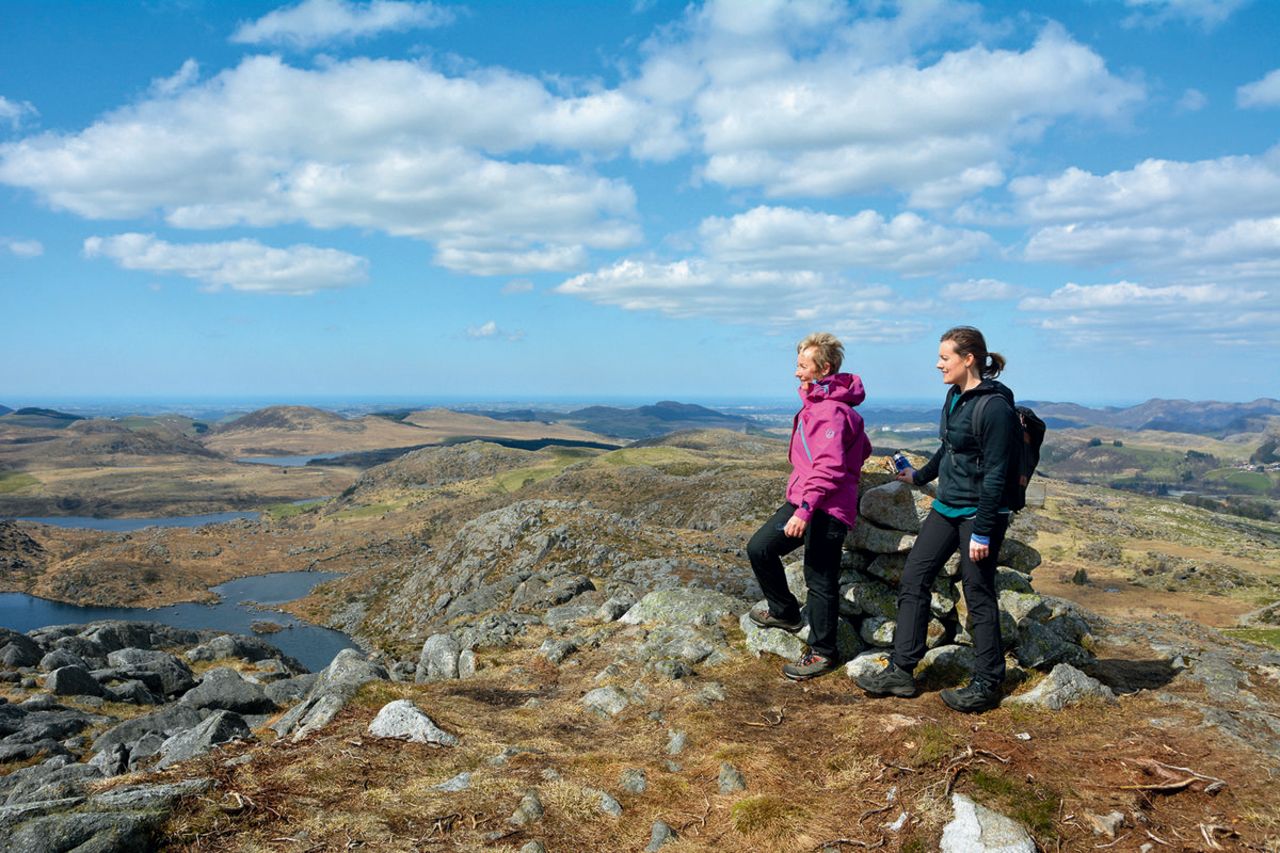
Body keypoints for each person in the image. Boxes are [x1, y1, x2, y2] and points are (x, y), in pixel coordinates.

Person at [856, 326, 1020, 712]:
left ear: (969, 359)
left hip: (982, 514)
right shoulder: (954, 396)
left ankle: (987, 682)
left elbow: (997, 471)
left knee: (978, 592)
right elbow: (948, 448)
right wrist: (920, 476)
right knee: (914, 577)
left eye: (945, 358)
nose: (938, 364)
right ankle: (901, 670)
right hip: (948, 506)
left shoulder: (995, 407)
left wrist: (981, 531)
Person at [747, 332, 872, 680]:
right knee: (760, 548)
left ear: (824, 368)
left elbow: (830, 466)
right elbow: (863, 449)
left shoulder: (831, 410)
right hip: (807, 497)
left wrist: (805, 510)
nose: (796, 372)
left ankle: (822, 652)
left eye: (803, 365)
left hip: (825, 507)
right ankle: (785, 612)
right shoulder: (821, 404)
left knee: (819, 577)